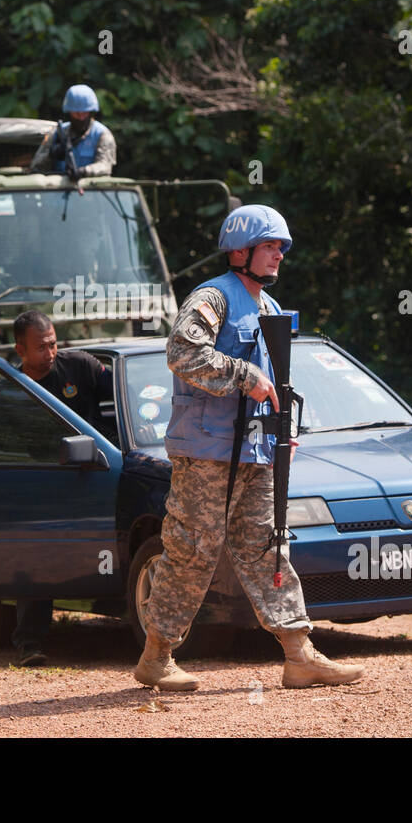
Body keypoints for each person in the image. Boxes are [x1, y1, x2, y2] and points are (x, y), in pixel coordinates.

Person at [133, 205, 364, 691]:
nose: (279, 254)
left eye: (282, 247)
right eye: (270, 246)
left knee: (268, 548)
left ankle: (299, 654)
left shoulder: (271, 309)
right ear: (240, 251)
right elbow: (182, 353)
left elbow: (281, 383)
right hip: (206, 454)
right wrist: (243, 376)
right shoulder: (213, 298)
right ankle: (157, 655)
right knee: (192, 551)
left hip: (258, 454)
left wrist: (288, 431)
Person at [0, 310, 113, 666]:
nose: (50, 353)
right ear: (20, 349)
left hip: (95, 477)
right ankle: (29, 644)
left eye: (53, 344)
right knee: (38, 558)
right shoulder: (9, 390)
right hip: (43, 486)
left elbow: (124, 389)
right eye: (41, 347)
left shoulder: (81, 366)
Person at [30, 84, 117, 178]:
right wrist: (51, 155)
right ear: (69, 112)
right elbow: (36, 167)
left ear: (91, 111)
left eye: (84, 112)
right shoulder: (57, 133)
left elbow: (105, 166)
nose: (81, 117)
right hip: (58, 188)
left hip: (92, 189)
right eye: (76, 113)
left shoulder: (102, 134)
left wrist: (84, 171)